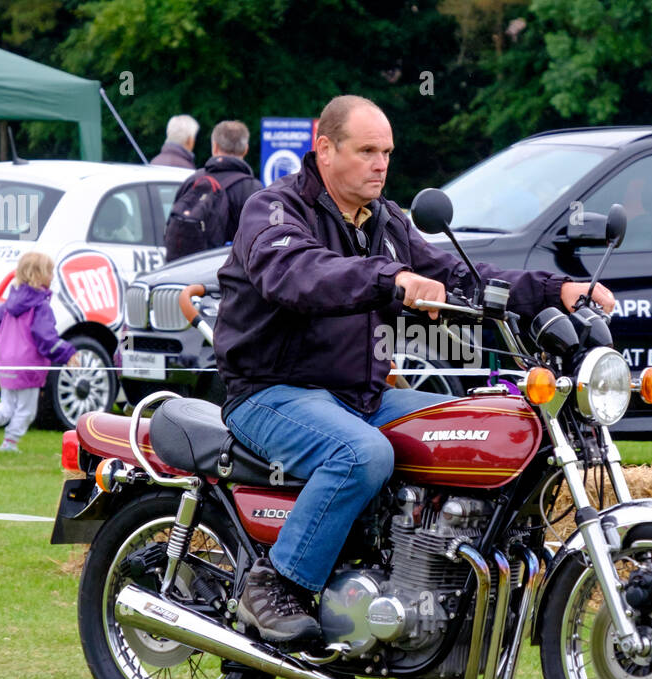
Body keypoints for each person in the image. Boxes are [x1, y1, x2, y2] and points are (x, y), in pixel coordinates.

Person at [214, 95, 614, 649]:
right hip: (271, 391)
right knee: (361, 454)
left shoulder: (388, 223)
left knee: (474, 427)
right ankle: (274, 584)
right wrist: (390, 280)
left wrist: (557, 290)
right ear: (324, 149)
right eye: (367, 151)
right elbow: (298, 274)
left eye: (387, 152)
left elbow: (463, 275)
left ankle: (427, 577)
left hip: (360, 395)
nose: (381, 163)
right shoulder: (275, 210)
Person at [0, 251, 79, 451]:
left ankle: (9, 442)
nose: (52, 277)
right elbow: (46, 338)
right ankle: (9, 443)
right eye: (49, 272)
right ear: (38, 275)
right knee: (26, 411)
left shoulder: (9, 304)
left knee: (6, 408)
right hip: (28, 366)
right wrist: (67, 353)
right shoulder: (40, 306)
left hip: (6, 362)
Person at [164, 120, 261, 261]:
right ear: (246, 149)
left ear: (214, 147)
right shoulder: (253, 189)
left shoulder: (192, 181)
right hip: (224, 275)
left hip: (184, 269)